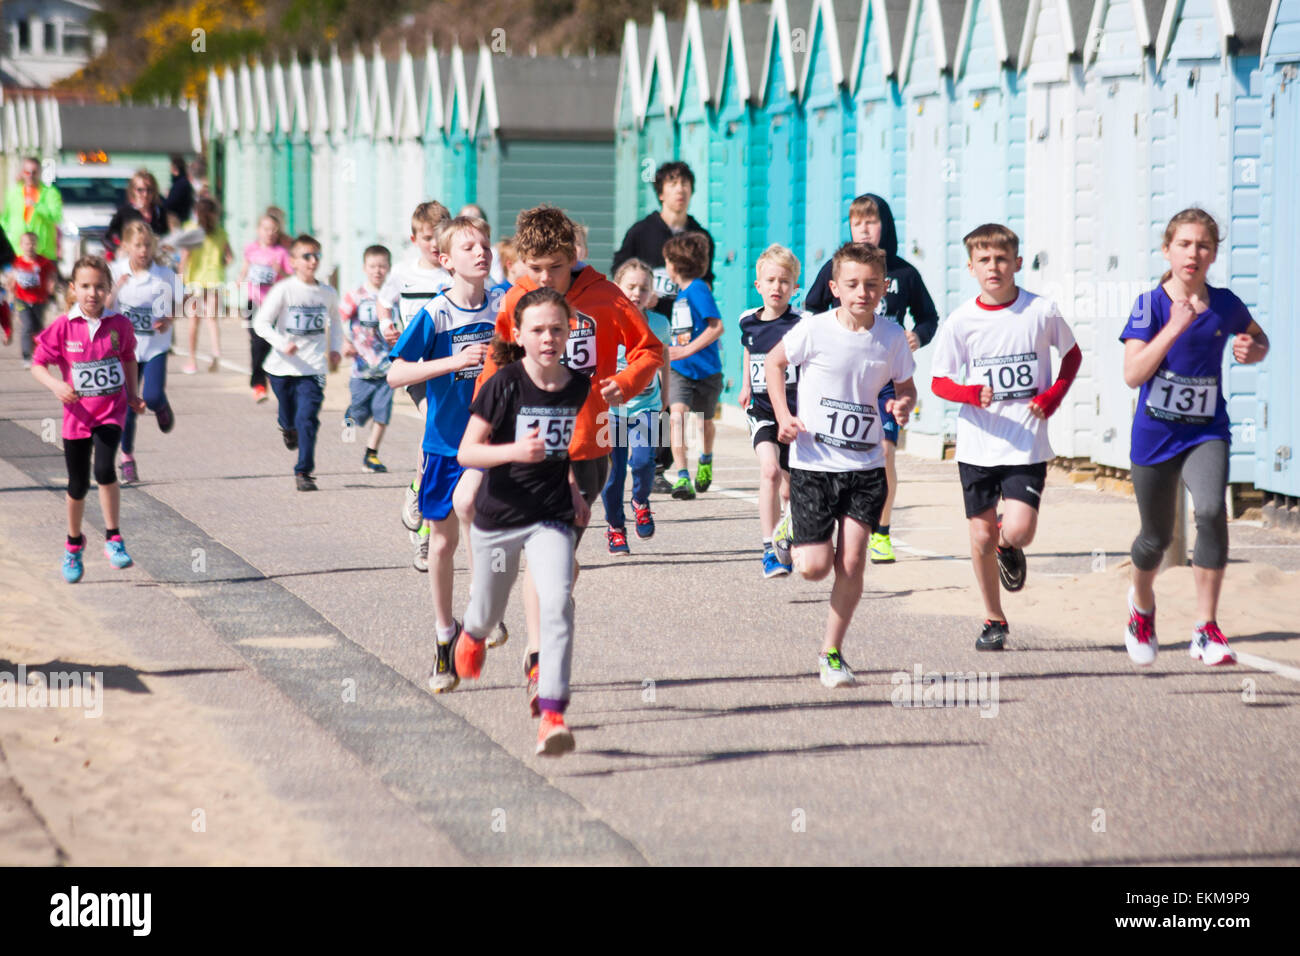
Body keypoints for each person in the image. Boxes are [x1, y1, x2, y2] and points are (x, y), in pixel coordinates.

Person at [479, 206, 663, 715]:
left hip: (588, 446)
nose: (544, 279)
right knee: (546, 564)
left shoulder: (605, 297)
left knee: (556, 565)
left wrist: (624, 384)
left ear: (574, 257)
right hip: (531, 451)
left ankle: (544, 640)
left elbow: (649, 350)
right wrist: (488, 422)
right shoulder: (517, 298)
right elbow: (498, 359)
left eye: (554, 268)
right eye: (534, 267)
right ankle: (541, 658)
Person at [1120, 208, 1269, 667]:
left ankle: (1206, 628)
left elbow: (1258, 338)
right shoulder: (1150, 305)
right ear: (1167, 250)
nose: (1194, 253)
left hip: (1207, 431)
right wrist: (1174, 327)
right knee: (1156, 539)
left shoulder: (1225, 304)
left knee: (1209, 512)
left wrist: (1252, 349)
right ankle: (1141, 606)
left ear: (1214, 253)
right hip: (1155, 436)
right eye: (1184, 244)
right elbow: (1133, 374)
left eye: (1203, 245)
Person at [766, 243, 917, 687]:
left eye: (872, 285)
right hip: (814, 462)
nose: (862, 292)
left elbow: (905, 386)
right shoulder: (813, 330)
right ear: (834, 288)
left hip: (865, 465)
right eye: (852, 284)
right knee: (813, 568)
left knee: (852, 560)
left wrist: (903, 406)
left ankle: (831, 653)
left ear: (884, 288)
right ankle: (790, 528)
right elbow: (775, 363)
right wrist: (782, 416)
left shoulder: (890, 336)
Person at [450, 288, 592, 755]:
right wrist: (514, 451)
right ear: (518, 335)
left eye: (557, 328)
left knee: (557, 601)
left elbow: (560, 444)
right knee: (488, 610)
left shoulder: (576, 383)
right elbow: (467, 451)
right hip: (499, 519)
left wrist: (572, 488)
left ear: (569, 331)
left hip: (550, 516)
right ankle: (471, 632)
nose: (548, 338)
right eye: (537, 330)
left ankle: (551, 713)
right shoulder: (504, 384)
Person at [928, 224, 1082, 651]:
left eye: (1001, 259)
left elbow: (1072, 355)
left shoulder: (1041, 311)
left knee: (1020, 529)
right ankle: (993, 618)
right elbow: (939, 381)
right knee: (978, 536)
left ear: (1016, 263)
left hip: (1025, 441)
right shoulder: (961, 321)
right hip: (978, 442)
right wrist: (970, 394)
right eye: (983, 260)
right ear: (971, 267)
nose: (993, 267)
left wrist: (1051, 397)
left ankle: (1006, 544)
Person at [803, 194, 939, 564]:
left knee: (884, 454)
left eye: (871, 221)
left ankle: (881, 531)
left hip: (886, 381)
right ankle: (814, 519)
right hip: (840, 379)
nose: (864, 228)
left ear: (886, 227)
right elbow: (811, 308)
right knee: (832, 451)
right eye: (856, 222)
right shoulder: (836, 268)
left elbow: (928, 317)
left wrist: (918, 336)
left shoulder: (905, 273)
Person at [386, 216, 496, 671]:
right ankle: (443, 635)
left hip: (486, 441)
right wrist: (452, 361)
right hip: (442, 445)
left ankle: (481, 602)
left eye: (485, 244)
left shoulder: (503, 305)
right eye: (469, 247)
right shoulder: (437, 313)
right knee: (443, 544)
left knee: (473, 505)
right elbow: (395, 374)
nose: (481, 252)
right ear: (446, 260)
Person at [30, 256, 145, 582]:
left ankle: (114, 538)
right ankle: (73, 544)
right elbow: (38, 363)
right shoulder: (64, 326)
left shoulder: (119, 325)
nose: (92, 293)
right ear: (73, 289)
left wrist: (133, 394)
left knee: (105, 469)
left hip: (110, 412)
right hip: (77, 418)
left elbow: (128, 358)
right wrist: (57, 386)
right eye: (85, 286)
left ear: (108, 289)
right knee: (78, 485)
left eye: (98, 286)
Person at [380, 201, 453, 541]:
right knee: (433, 424)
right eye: (427, 237)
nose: (434, 244)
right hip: (417, 370)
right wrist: (386, 325)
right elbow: (384, 302)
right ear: (414, 239)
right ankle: (422, 499)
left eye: (439, 236)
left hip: (451, 369)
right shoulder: (403, 275)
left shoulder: (454, 273)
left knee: (445, 436)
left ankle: (419, 487)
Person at [252, 235, 343, 491]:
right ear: (293, 262)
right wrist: (282, 344)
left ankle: (303, 471)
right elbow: (261, 323)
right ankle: (287, 427)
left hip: (312, 368)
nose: (313, 261)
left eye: (316, 255)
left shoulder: (327, 293)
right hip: (282, 367)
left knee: (308, 418)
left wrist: (335, 349)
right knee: (289, 416)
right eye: (306, 256)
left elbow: (335, 323)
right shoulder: (284, 289)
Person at [738, 244, 805, 577]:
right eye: (771, 280)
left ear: (795, 287)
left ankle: (787, 533)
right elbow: (750, 353)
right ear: (758, 286)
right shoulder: (747, 322)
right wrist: (745, 385)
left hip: (793, 417)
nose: (777, 287)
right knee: (769, 471)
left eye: (784, 281)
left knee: (790, 487)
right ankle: (768, 550)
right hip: (762, 412)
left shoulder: (802, 324)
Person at [600, 258, 671, 554]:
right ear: (617, 287)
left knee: (643, 462)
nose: (636, 292)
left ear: (651, 293)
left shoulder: (659, 323)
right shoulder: (606, 321)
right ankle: (615, 527)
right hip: (611, 411)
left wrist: (665, 393)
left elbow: (664, 358)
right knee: (613, 475)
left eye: (643, 288)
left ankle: (641, 501)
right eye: (630, 286)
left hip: (647, 405)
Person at [108, 221, 178, 484]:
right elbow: (102, 305)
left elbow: (183, 299)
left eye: (147, 245)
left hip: (155, 347)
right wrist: (116, 287)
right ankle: (127, 458)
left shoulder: (164, 274)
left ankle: (161, 407)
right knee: (128, 403)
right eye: (137, 245)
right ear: (126, 246)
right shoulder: (116, 271)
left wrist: (168, 319)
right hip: (126, 351)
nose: (143, 250)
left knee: (151, 395)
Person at [611, 161, 715, 320]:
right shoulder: (640, 232)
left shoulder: (701, 237)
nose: (680, 189)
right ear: (661, 193)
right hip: (648, 320)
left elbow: (707, 280)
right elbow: (618, 273)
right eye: (673, 184)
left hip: (687, 324)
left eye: (685, 183)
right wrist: (643, 292)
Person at [663, 232, 724, 500]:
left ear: (675, 264)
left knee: (704, 423)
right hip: (681, 371)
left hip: (707, 370)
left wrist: (687, 349)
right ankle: (682, 477)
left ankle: (705, 460)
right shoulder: (681, 294)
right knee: (676, 417)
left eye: (666, 261)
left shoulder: (698, 288)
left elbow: (717, 327)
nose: (665, 266)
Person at [340, 244, 395, 473]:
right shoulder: (356, 295)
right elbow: (339, 318)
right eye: (373, 266)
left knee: (382, 411)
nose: (377, 271)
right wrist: (345, 342)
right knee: (360, 411)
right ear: (364, 268)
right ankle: (350, 416)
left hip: (387, 367)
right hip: (361, 368)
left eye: (382, 266)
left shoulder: (393, 296)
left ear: (389, 268)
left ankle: (371, 455)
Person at [238, 214, 294, 402]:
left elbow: (291, 278)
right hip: (254, 302)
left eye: (273, 230)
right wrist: (241, 278)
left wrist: (280, 272)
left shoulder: (281, 253)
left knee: (271, 343)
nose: (269, 233)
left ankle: (273, 376)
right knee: (257, 342)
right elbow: (246, 265)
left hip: (273, 305)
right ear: (258, 230)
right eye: (266, 229)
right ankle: (259, 384)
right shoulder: (251, 249)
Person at [180, 197, 232, 374]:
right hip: (215, 279)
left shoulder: (191, 230)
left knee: (194, 321)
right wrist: (220, 264)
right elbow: (229, 257)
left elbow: (185, 257)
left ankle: (192, 360)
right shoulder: (220, 232)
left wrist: (179, 278)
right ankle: (216, 352)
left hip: (195, 280)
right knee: (212, 319)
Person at [6, 230, 57, 366]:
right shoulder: (17, 261)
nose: (30, 246)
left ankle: (39, 353)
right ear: (21, 245)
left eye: (33, 243)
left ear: (36, 245)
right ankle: (26, 355)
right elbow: (11, 276)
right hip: (21, 299)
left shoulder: (43, 261)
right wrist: (10, 284)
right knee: (27, 325)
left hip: (39, 300)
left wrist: (51, 284)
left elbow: (52, 274)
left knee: (38, 327)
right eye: (27, 243)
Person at [2, 157, 62, 261]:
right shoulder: (13, 193)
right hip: (18, 252)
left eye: (34, 172)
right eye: (27, 172)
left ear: (39, 173)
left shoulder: (51, 193)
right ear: (23, 172)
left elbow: (56, 217)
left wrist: (37, 206)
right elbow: (4, 219)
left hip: (43, 252)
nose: (30, 176)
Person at [105, 170, 168, 257]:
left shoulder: (159, 212)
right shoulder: (125, 212)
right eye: (140, 190)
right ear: (133, 190)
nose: (145, 194)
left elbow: (167, 236)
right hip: (130, 258)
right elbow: (107, 238)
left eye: (149, 190)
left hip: (153, 258)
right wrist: (118, 248)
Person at [164, 155, 195, 230]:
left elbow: (170, 204)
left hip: (179, 222)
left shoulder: (180, 185)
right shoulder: (184, 183)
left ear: (175, 169)